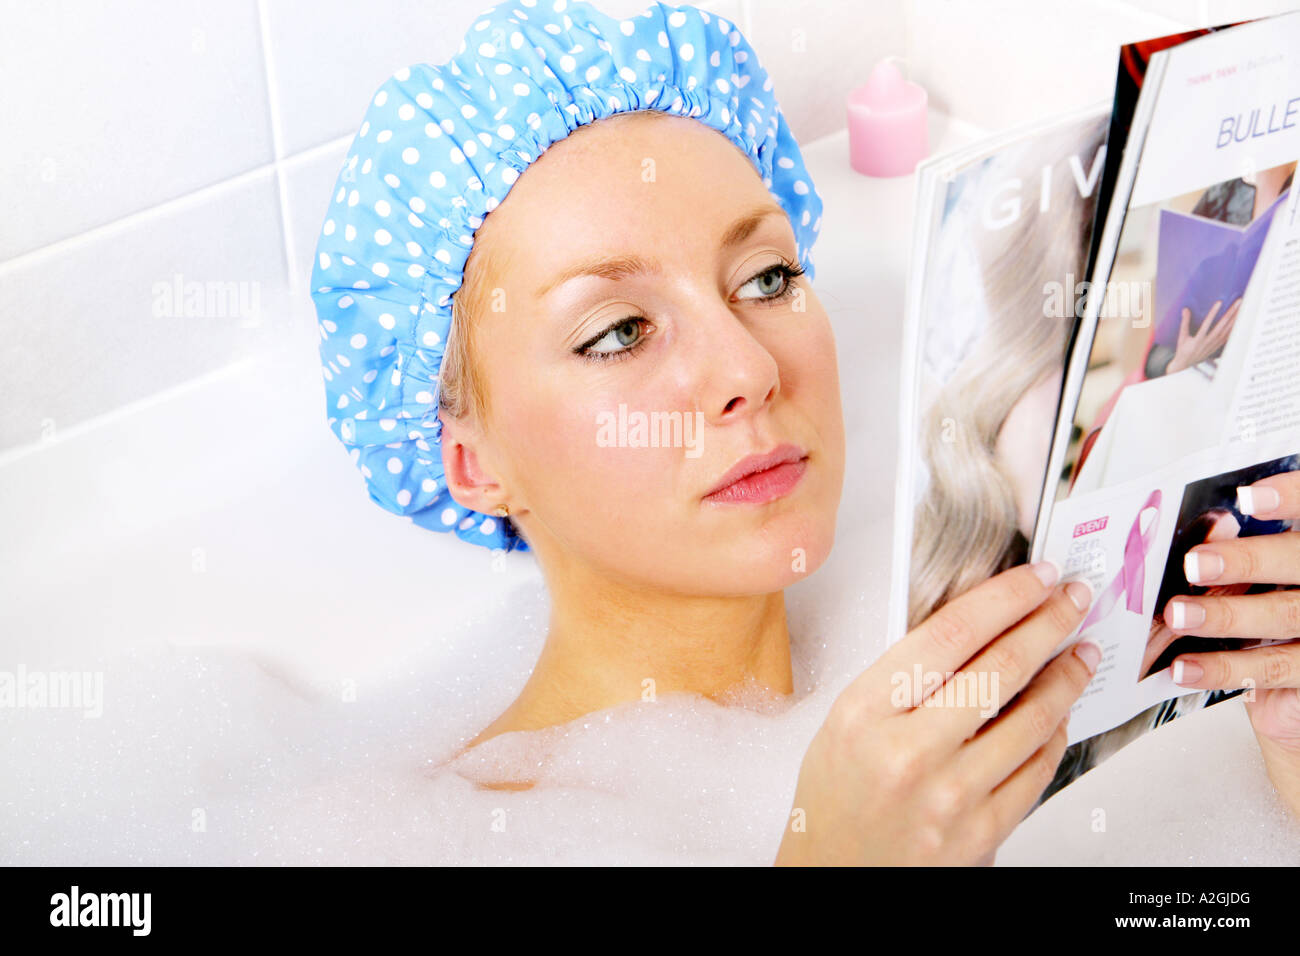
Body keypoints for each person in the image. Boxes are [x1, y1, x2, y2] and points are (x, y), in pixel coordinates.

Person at [311, 0, 1300, 863]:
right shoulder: (447, 838)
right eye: (616, 331)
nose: (749, 369)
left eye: (767, 277)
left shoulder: (953, 615)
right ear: (474, 463)